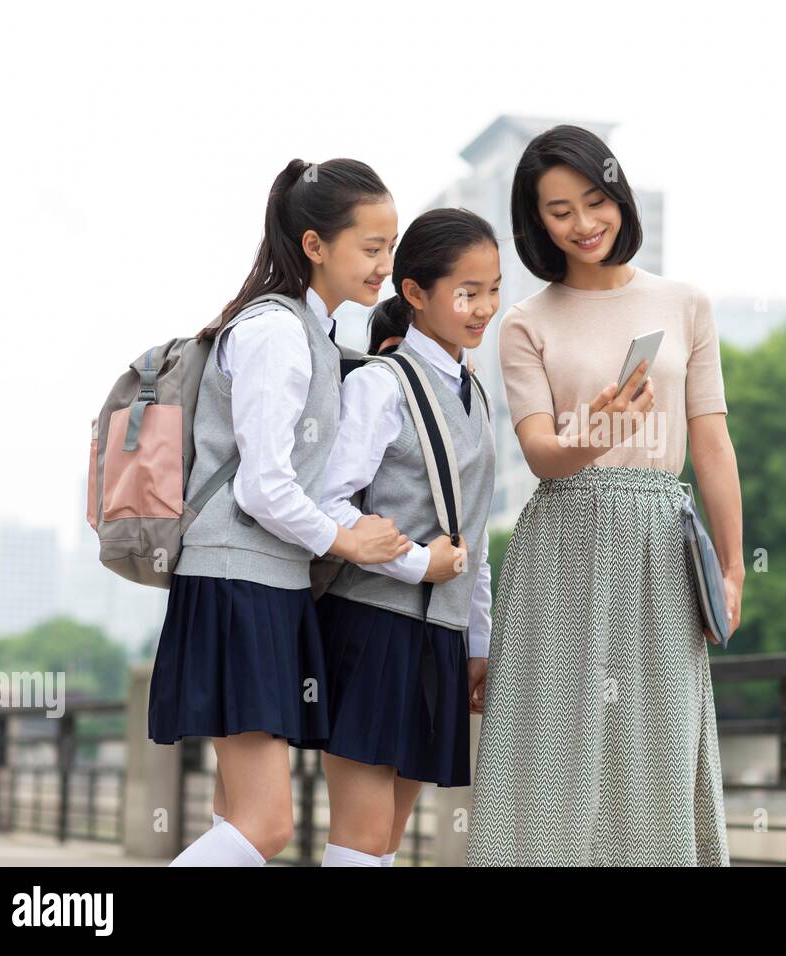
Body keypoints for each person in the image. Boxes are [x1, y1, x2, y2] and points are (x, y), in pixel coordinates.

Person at [466, 126, 744, 866]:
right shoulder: (525, 321)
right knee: (549, 740)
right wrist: (602, 426)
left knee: (656, 737)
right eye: (560, 211)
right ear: (537, 221)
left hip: (662, 540)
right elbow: (541, 454)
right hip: (563, 539)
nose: (584, 224)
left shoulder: (685, 303)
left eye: (595, 200)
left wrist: (733, 567)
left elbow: (712, 445)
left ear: (619, 195)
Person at [148, 158, 410, 866]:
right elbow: (261, 487)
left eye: (390, 247)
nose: (384, 264)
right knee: (265, 827)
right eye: (371, 247)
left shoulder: (314, 335)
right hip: (238, 584)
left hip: (263, 586)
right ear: (315, 245)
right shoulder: (276, 332)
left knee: (236, 818)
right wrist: (349, 542)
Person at [314, 209, 500, 866]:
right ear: (416, 294)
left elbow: (470, 538)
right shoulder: (379, 384)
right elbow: (328, 506)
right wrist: (420, 563)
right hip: (372, 626)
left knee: (387, 842)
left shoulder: (476, 393)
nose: (483, 308)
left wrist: (479, 644)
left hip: (440, 640)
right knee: (361, 841)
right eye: (466, 292)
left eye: (493, 289)